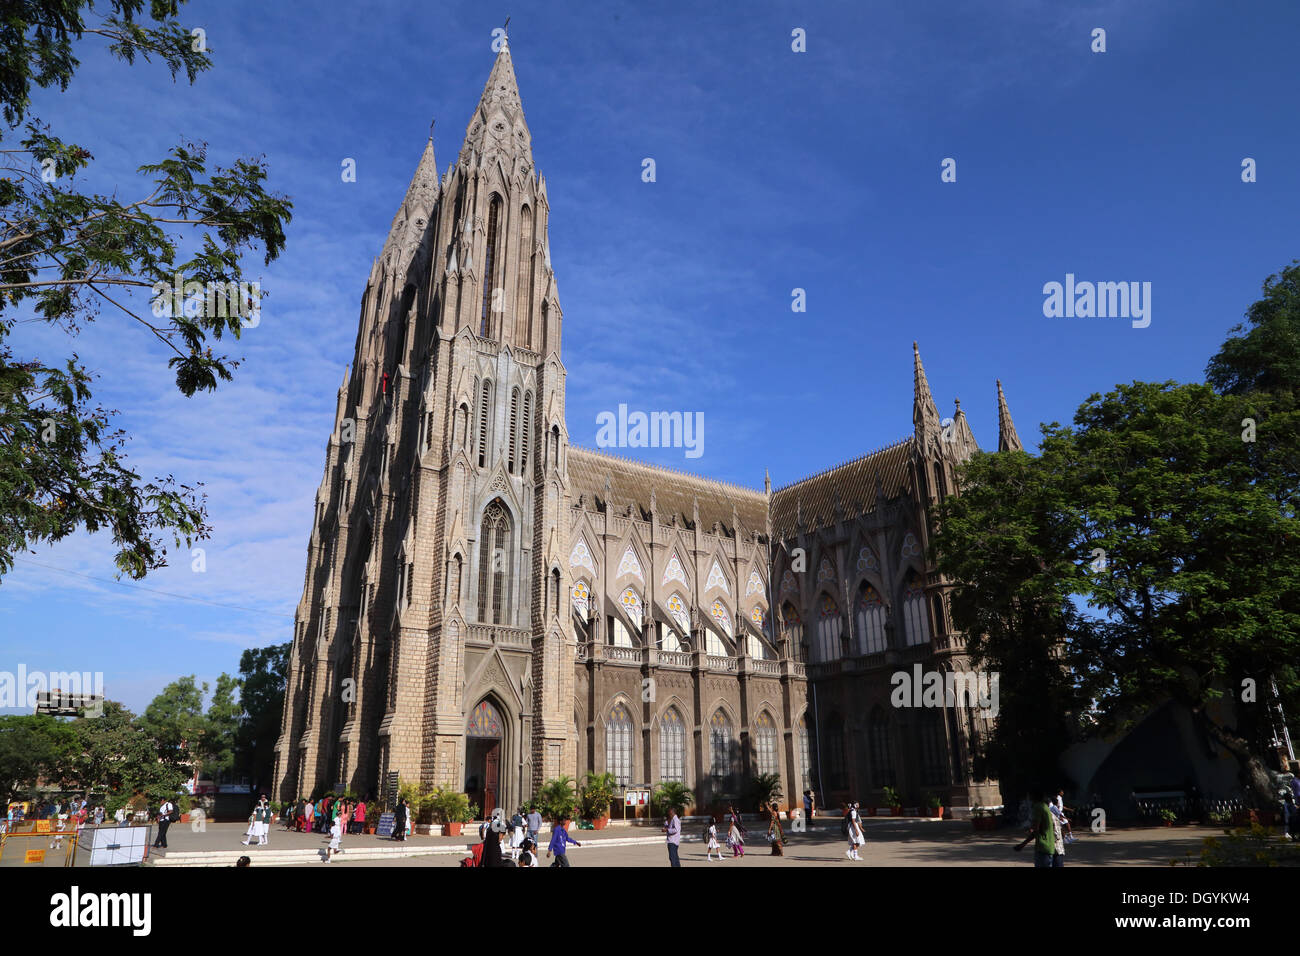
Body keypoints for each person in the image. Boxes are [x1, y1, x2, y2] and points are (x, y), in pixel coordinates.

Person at [1015, 790, 1057, 867]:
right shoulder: (1045, 806)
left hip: (1043, 847)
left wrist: (1023, 844)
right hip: (1049, 846)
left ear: (1034, 797)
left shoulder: (1038, 807)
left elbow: (1036, 828)